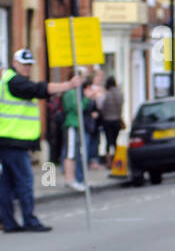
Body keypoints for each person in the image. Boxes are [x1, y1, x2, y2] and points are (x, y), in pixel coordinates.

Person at [0, 49, 82, 232]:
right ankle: (29, 220)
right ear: (15, 63)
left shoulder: (9, 81)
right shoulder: (15, 82)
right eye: (25, 64)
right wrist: (68, 85)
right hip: (14, 141)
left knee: (7, 183)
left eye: (30, 65)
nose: (28, 68)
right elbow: (41, 89)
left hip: (10, 140)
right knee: (25, 182)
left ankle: (9, 222)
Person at [61, 75, 95, 191]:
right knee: (70, 153)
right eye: (78, 79)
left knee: (74, 153)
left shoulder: (74, 92)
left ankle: (73, 179)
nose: (81, 82)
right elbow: (77, 108)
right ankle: (70, 179)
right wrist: (86, 98)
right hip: (72, 124)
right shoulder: (71, 92)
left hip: (76, 125)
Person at [98, 76, 124, 163]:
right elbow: (121, 105)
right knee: (115, 140)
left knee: (108, 141)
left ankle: (108, 162)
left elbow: (100, 106)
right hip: (117, 120)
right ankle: (116, 161)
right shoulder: (120, 94)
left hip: (107, 121)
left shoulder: (106, 94)